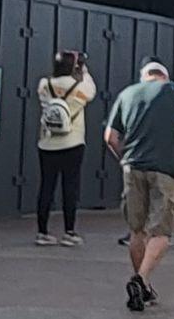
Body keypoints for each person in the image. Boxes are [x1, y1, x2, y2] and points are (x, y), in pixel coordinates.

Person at [105, 59, 174, 313]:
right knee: (161, 231)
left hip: (132, 168)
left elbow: (110, 137)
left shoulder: (127, 94)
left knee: (137, 230)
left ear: (143, 77)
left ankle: (142, 286)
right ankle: (140, 280)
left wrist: (125, 158)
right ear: (164, 76)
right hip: (164, 170)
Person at [34, 49, 97, 247]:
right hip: (73, 143)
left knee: (46, 187)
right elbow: (91, 91)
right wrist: (83, 70)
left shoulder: (45, 85)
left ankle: (42, 232)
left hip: (46, 143)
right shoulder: (80, 87)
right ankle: (69, 232)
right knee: (70, 187)